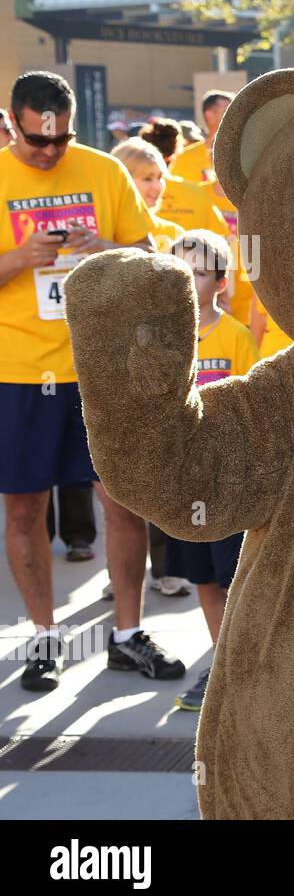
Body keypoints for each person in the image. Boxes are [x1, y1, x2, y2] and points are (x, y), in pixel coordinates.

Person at [0, 70, 185, 691]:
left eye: (60, 139)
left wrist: (101, 246)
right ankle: (44, 638)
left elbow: (150, 260)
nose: (49, 152)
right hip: (19, 370)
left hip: (98, 366)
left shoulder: (104, 171)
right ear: (16, 123)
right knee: (25, 506)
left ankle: (128, 635)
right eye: (35, 142)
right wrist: (17, 261)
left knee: (123, 499)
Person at [165, 231, 258, 710]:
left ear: (221, 283)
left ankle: (245, 671)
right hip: (183, 482)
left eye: (199, 273)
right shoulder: (162, 338)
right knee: (201, 577)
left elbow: (251, 411)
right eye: (179, 270)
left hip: (227, 481)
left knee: (232, 579)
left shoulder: (237, 337)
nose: (188, 280)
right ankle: (221, 666)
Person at [169, 89, 233, 184]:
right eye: (226, 112)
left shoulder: (240, 155)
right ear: (209, 115)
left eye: (234, 112)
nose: (232, 117)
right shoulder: (185, 158)